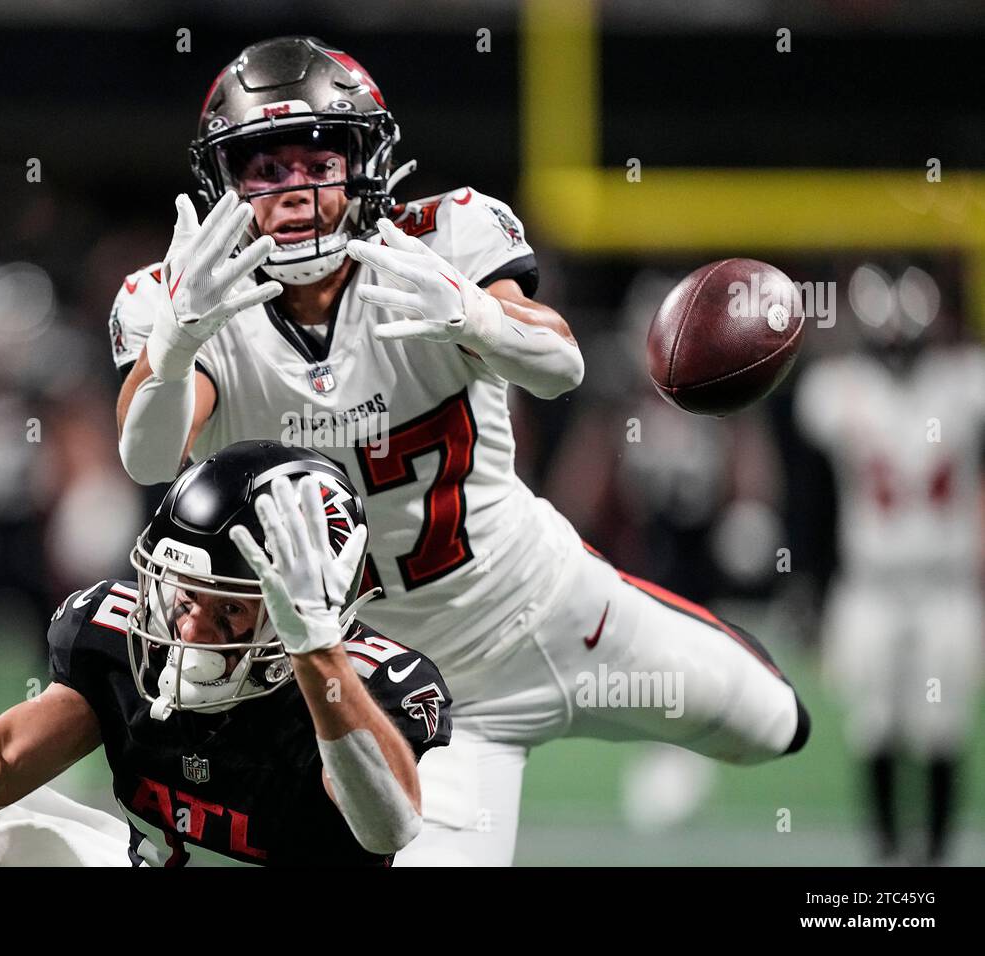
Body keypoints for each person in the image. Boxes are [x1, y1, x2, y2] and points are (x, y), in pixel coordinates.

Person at [111, 35, 809, 865]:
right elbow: (148, 454)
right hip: (410, 688)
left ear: (366, 161)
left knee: (775, 723)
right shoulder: (186, 297)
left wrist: (478, 318)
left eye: (318, 160)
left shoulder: (440, 242)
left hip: (546, 601)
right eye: (265, 169)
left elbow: (561, 367)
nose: (295, 193)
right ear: (224, 183)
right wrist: (180, 341)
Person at [0, 441, 452, 866]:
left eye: (230, 612)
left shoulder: (376, 685)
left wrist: (318, 655)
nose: (189, 629)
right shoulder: (115, 647)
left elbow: (388, 826)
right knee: (12, 850)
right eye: (185, 594)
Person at [795, 263, 984, 864]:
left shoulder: (965, 384)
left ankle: (934, 857)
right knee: (874, 724)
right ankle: (885, 857)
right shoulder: (840, 389)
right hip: (872, 585)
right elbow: (811, 493)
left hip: (946, 583)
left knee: (942, 726)